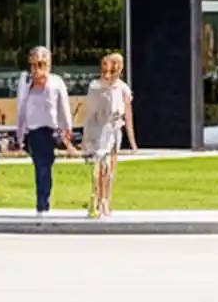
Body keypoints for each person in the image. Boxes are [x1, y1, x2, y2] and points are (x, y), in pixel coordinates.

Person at [15, 46, 75, 216]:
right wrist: (19, 136)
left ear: (48, 64)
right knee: (39, 167)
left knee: (43, 167)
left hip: (49, 131)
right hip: (32, 132)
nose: (37, 69)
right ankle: (41, 202)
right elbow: (21, 109)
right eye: (33, 65)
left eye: (41, 64)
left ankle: (43, 204)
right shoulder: (26, 82)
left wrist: (67, 131)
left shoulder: (55, 82)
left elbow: (64, 109)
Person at [81, 53, 136, 217]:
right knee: (100, 165)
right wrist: (86, 137)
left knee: (110, 169)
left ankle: (106, 199)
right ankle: (97, 198)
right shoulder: (96, 87)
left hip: (115, 129)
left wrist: (132, 141)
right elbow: (90, 114)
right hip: (99, 129)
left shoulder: (123, 88)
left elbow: (128, 114)